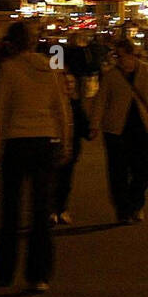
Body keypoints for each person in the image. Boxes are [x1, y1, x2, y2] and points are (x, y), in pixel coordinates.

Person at [0, 21, 71, 292]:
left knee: (10, 210)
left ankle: (5, 273)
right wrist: (65, 143)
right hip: (45, 142)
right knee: (40, 210)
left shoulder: (8, 69)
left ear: (12, 42)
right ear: (34, 42)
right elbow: (61, 110)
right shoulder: (51, 69)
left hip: (15, 143)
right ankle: (39, 275)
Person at [89, 37, 148, 224]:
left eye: (122, 55)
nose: (119, 60)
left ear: (132, 54)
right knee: (117, 173)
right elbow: (100, 101)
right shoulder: (111, 75)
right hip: (115, 131)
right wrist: (94, 124)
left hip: (143, 129)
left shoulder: (147, 71)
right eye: (116, 56)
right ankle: (123, 210)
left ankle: (137, 204)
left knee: (143, 171)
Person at [52, 32, 92, 227]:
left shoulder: (58, 51)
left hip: (69, 144)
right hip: (59, 143)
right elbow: (90, 67)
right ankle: (56, 209)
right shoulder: (80, 52)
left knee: (63, 178)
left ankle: (59, 208)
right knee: (57, 177)